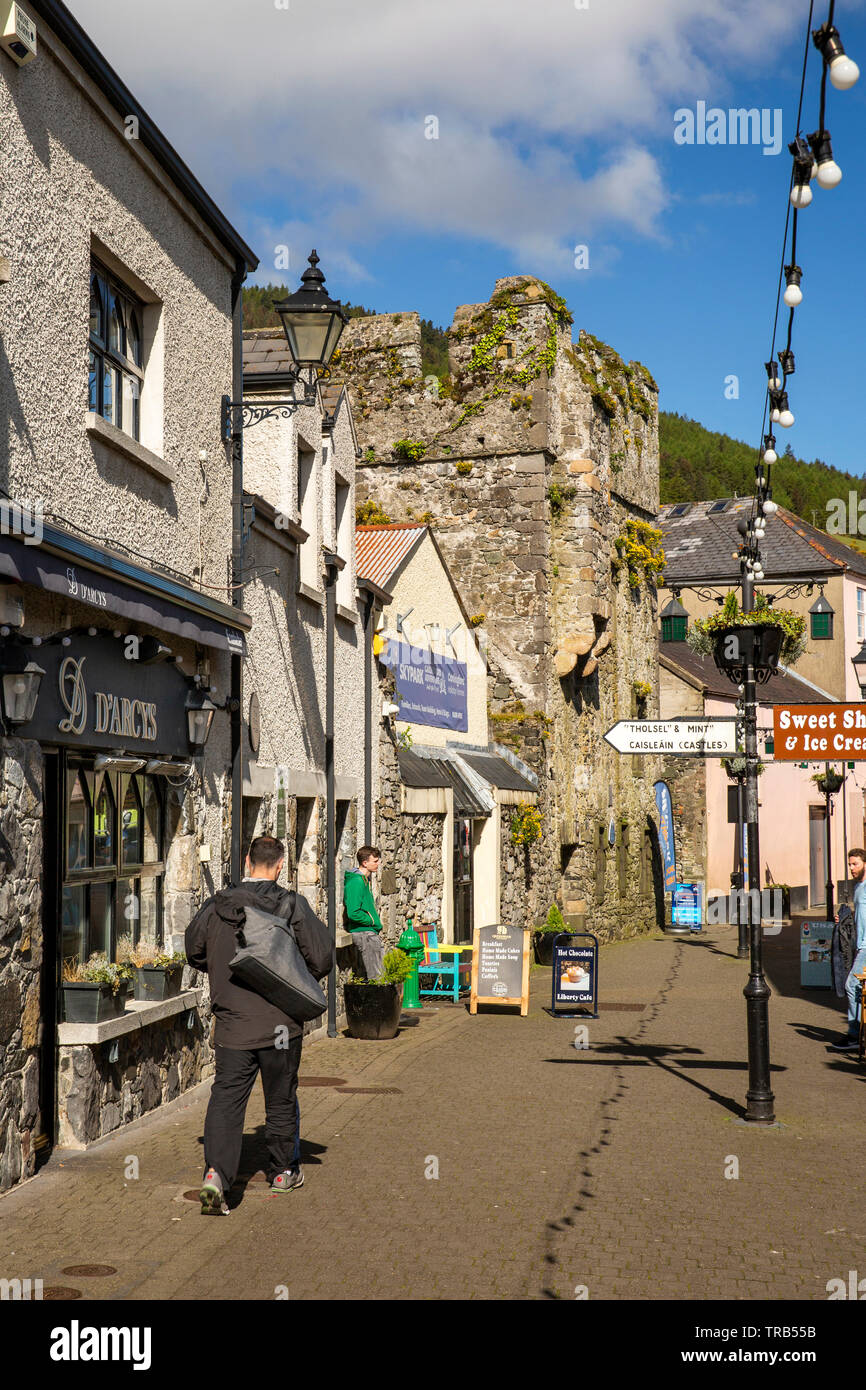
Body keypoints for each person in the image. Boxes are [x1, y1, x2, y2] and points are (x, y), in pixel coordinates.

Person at [185, 835, 332, 1213]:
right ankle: (283, 1171)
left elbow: (194, 951)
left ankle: (216, 1175)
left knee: (226, 1099)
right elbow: (321, 958)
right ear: (280, 865)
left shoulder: (217, 905)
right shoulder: (291, 905)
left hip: (233, 1024)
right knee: (280, 1097)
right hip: (281, 1025)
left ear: (247, 861)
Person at [829, 848, 866, 1052]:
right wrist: (845, 918)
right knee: (858, 988)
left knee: (852, 985)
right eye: (850, 864)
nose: (851, 868)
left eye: (855, 864)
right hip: (859, 945)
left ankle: (855, 1034)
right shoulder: (858, 886)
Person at [344, 845, 385, 980]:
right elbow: (353, 912)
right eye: (375, 861)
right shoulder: (356, 882)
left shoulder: (363, 880)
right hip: (364, 934)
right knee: (376, 977)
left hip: (369, 933)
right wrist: (371, 920)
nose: (378, 863)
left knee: (379, 975)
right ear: (365, 863)